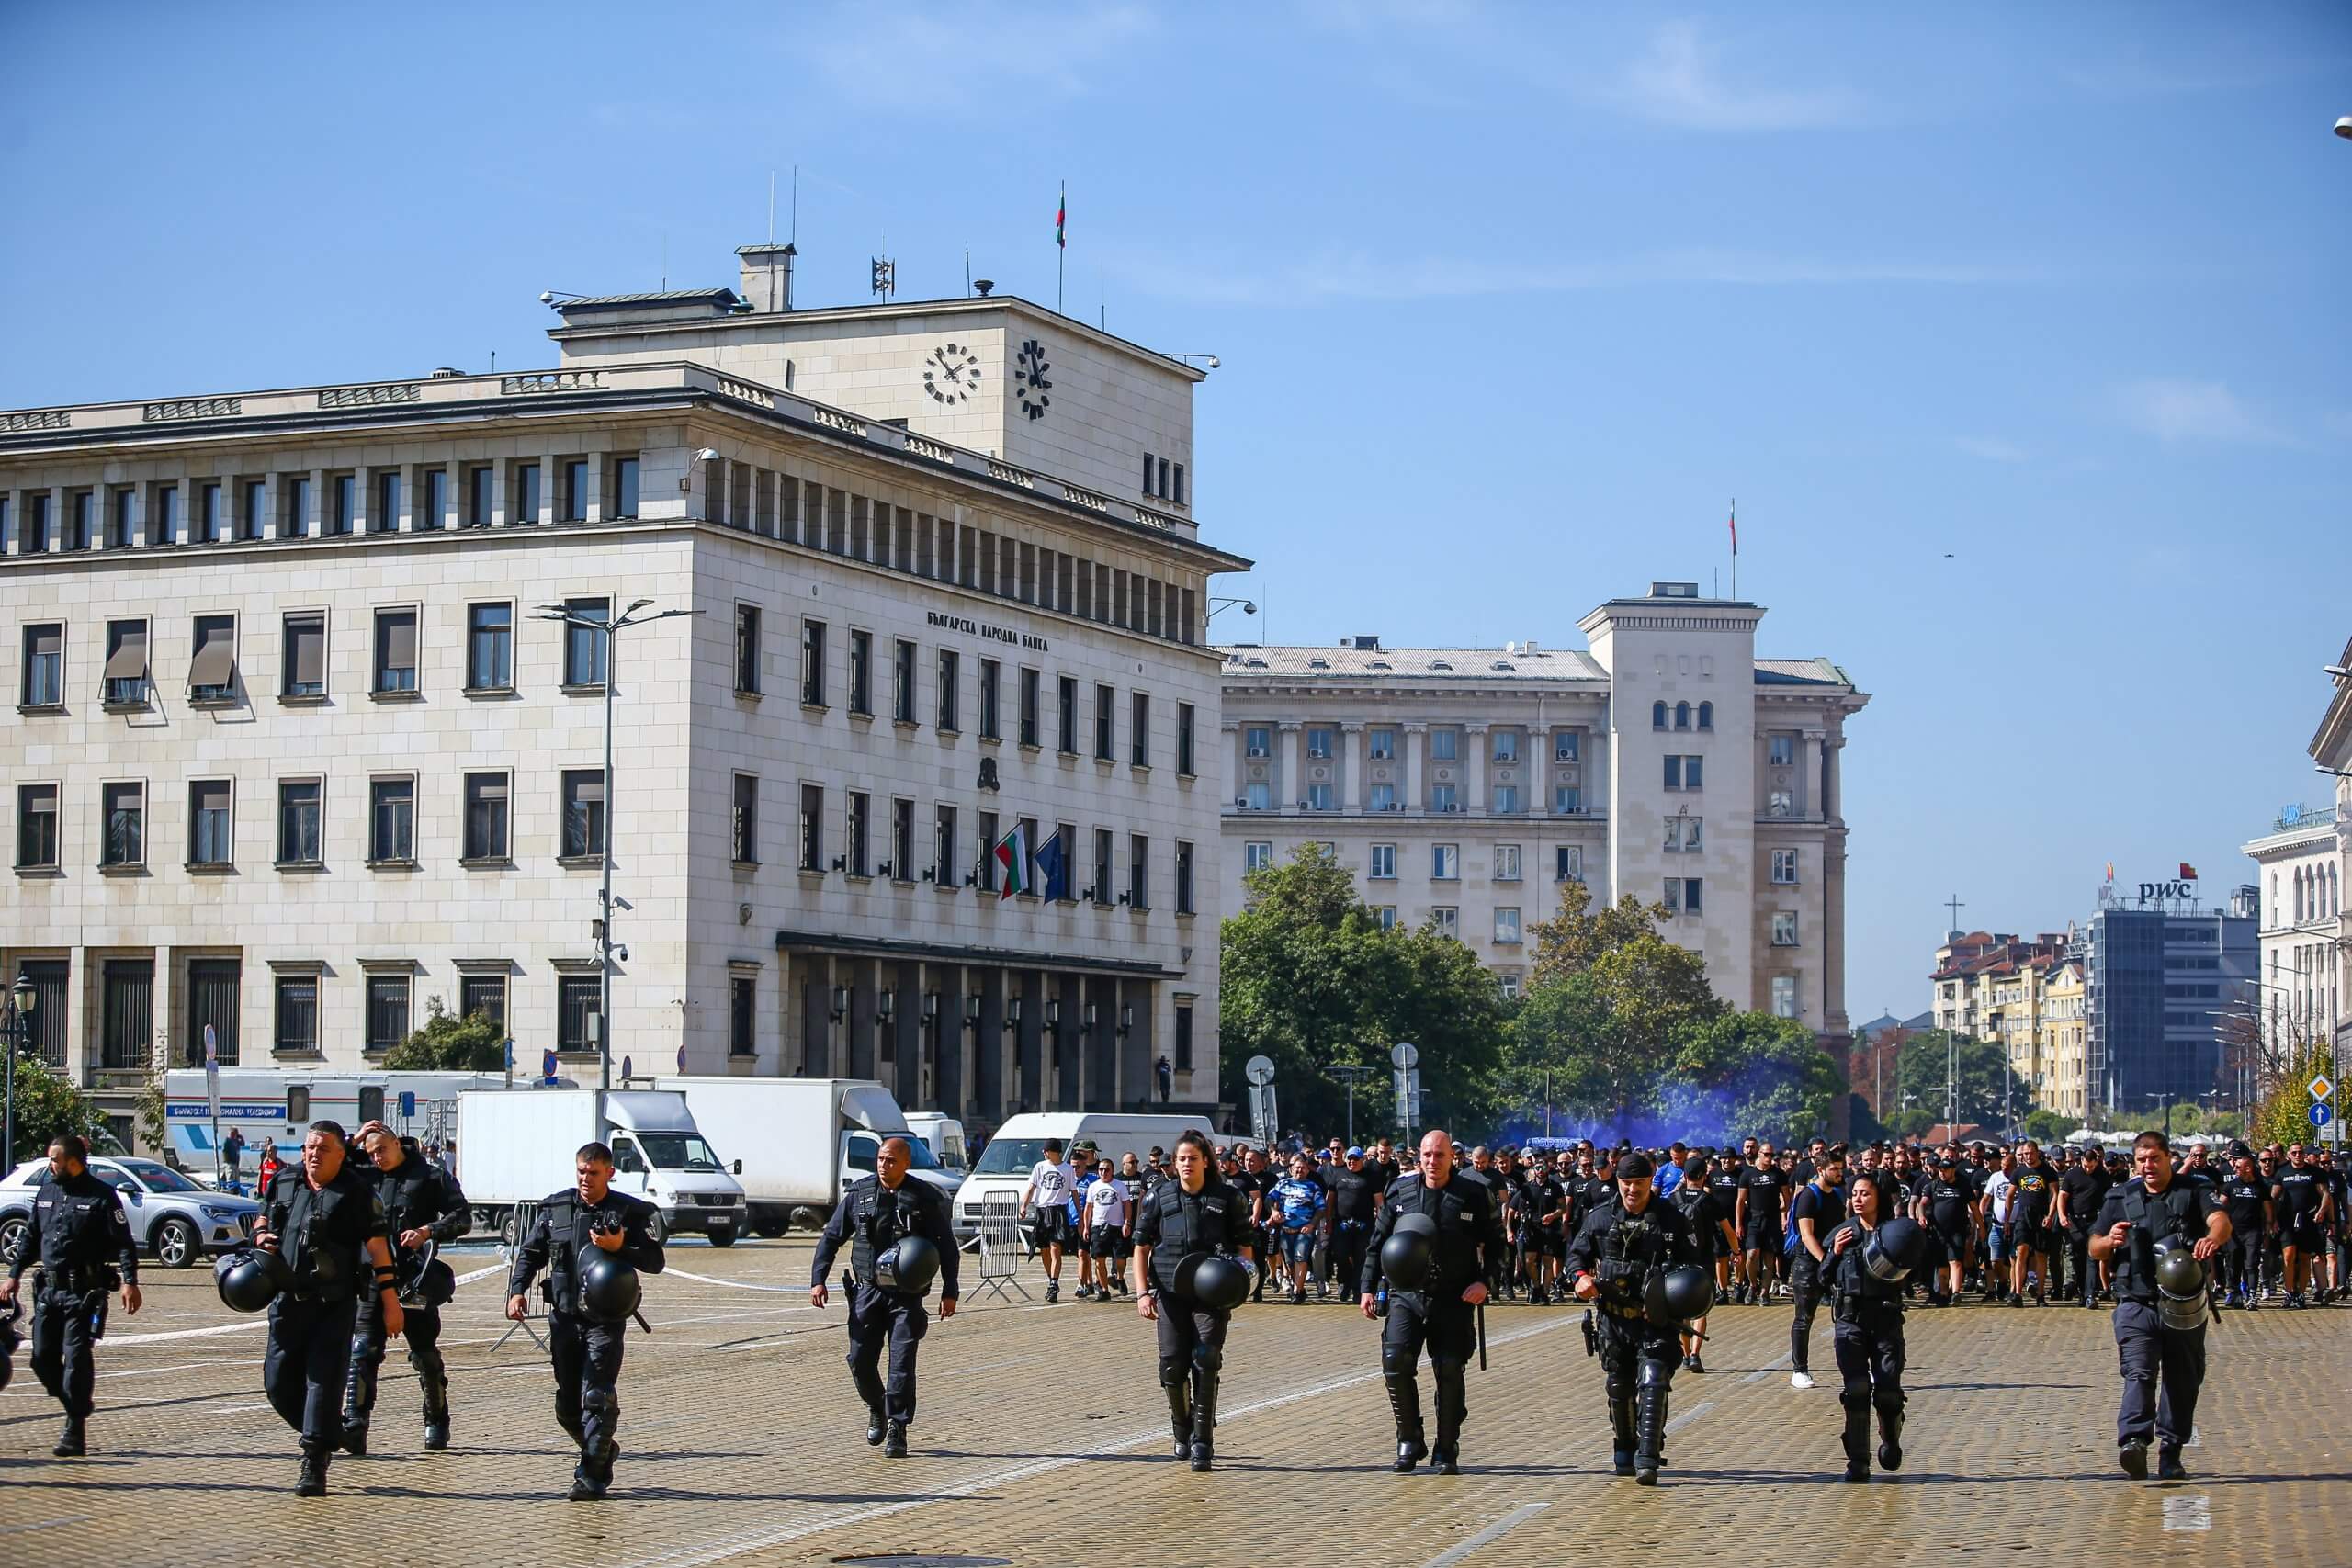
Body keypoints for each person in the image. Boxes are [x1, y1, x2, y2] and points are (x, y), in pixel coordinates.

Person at [506, 1142, 666, 1499]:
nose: (585, 1179)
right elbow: (530, 1253)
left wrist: (620, 1247)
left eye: (593, 1173)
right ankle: (602, 1448)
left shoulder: (627, 1212)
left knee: (597, 1394)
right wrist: (517, 1290)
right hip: (563, 1317)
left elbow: (656, 1262)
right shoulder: (557, 1208)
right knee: (567, 1406)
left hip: (605, 1319)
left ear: (609, 1173)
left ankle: (592, 1475)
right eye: (581, 1171)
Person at [255, 1121, 401, 1495]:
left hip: (332, 1305)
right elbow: (262, 1217)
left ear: (341, 1154)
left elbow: (379, 1249)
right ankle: (332, 1432)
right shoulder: (284, 1182)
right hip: (287, 1303)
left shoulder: (357, 1192)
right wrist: (260, 1235)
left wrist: (391, 1303)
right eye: (309, 1148)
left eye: (323, 1149)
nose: (314, 1155)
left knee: (323, 1382)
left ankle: (314, 1463)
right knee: (277, 1384)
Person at [2089, 1131, 2229, 1481]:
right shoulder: (2121, 1197)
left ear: (2169, 1158)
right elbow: (2094, 1246)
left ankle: (2171, 1451)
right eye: (2141, 1160)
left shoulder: (2192, 1191)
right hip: (2136, 1302)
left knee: (2183, 1380)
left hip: (2183, 1305)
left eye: (2154, 1158)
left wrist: (2211, 1240)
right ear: (2134, 1163)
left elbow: (2220, 1222)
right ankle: (2134, 1443)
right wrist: (2110, 1241)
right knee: (2138, 1372)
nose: (2148, 1166)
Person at [1361, 1130, 1502, 1475]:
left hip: (1454, 1296)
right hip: (1405, 1295)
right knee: (1395, 1361)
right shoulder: (1400, 1190)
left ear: (1453, 1157)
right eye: (1426, 1155)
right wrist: (1366, 1287)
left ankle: (1446, 1446)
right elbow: (1378, 1243)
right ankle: (1409, 1438)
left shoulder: (1473, 1195)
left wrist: (1484, 1283)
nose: (1432, 1162)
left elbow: (1497, 1246)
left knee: (1449, 1369)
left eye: (1439, 1155)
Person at [811, 1134, 960, 1457]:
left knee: (901, 1363)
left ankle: (897, 1426)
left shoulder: (923, 1197)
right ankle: (877, 1405)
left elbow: (947, 1246)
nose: (883, 1165)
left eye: (891, 1160)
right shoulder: (860, 1194)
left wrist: (951, 1290)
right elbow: (832, 1237)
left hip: (907, 1297)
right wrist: (817, 1279)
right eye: (880, 1159)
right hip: (868, 1292)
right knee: (860, 1360)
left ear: (906, 1163)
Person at [0, 1134, 143, 1457]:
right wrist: (13, 1275)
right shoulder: (47, 1192)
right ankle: (74, 1405)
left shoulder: (102, 1197)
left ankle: (74, 1430)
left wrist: (130, 1282)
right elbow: (30, 1237)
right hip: (49, 1291)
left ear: (73, 1162)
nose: (50, 1164)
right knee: (42, 1359)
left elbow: (123, 1243)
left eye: (54, 1159)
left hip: (84, 1293)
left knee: (76, 1361)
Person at [1566, 1152, 1698, 1485]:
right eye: (1626, 1183)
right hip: (1613, 1321)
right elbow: (1575, 1256)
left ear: (1650, 1181)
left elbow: (1697, 1269)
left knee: (1653, 1378)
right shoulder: (1599, 1219)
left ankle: (1648, 1456)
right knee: (1619, 1385)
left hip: (1656, 1321)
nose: (1632, 1190)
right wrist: (1580, 1277)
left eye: (1639, 1183)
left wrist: (1675, 1299)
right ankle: (1625, 1446)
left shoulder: (1672, 1220)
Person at [340, 1121, 469, 1454]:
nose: (377, 1157)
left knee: (425, 1357)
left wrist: (427, 1231)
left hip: (414, 1280)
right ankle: (355, 1424)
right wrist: (351, 1142)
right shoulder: (363, 1173)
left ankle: (437, 1419)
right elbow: (323, 1167)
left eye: (381, 1149)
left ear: (397, 1143)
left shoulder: (428, 1175)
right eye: (370, 1153)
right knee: (363, 1351)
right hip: (371, 1279)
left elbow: (462, 1216)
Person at [1131, 1129, 1256, 1471]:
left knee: (1206, 1359)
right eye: (1182, 1159)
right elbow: (1141, 1248)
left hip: (1211, 1296)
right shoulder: (1159, 1196)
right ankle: (1181, 1428)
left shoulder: (1227, 1198)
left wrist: (1242, 1281)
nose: (1187, 1164)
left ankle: (1203, 1440)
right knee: (1172, 1366)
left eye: (1193, 1158)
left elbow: (1246, 1248)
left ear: (1206, 1162)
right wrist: (1142, 1293)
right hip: (1169, 1293)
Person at [1824, 1171, 1908, 1483]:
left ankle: (1891, 1438)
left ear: (1878, 1199)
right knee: (1857, 1389)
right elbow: (1823, 1277)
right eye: (1855, 1194)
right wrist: (1833, 1254)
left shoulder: (1893, 1233)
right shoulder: (1843, 1233)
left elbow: (1915, 1268)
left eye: (1865, 1194)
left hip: (1886, 1320)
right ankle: (1858, 1460)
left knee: (1887, 1392)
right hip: (1850, 1321)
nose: (1859, 1200)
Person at [1787, 1148, 1847, 1390]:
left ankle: (1856, 1368)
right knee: (1804, 1318)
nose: (1839, 1173)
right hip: (1808, 1265)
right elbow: (1807, 1235)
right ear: (1821, 1170)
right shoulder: (1809, 1197)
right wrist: (1826, 1261)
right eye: (1834, 1169)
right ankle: (1799, 1370)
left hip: (1832, 1261)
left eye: (1841, 1169)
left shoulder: (1838, 1194)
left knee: (1847, 1316)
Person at [1668, 1155, 1735, 1372]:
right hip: (1703, 1260)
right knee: (1700, 1308)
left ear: (1684, 1175)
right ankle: (1696, 1354)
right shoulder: (1709, 1201)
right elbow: (1728, 1231)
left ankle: (1685, 1356)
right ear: (1704, 1176)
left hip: (1678, 1262)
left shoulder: (1673, 1198)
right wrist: (1736, 1250)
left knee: (1681, 1310)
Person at [2272, 1143, 2332, 1309]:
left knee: (2305, 1257)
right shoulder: (2282, 1173)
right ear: (2289, 1155)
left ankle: (2300, 1294)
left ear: (2304, 1154)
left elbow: (2326, 1194)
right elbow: (2273, 1197)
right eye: (2294, 1153)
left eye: (2300, 1152)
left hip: (2308, 1220)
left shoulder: (2315, 1172)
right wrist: (2273, 1219)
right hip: (2287, 1220)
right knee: (2289, 1255)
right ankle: (2289, 1292)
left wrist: (2322, 1211)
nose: (2298, 1155)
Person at [1019, 1140, 1079, 1303]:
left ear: (1055, 1151)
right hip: (1042, 1210)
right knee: (1044, 1249)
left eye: (1047, 1150)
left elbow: (1074, 1193)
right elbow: (1031, 1188)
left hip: (1058, 1210)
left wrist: (1079, 1216)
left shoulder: (1067, 1169)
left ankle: (1054, 1283)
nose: (1044, 1153)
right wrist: (1024, 1206)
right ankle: (1050, 1279)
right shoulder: (1040, 1167)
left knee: (1055, 1249)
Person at [2057, 1145, 2112, 1309]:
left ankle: (2090, 1295)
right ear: (2081, 1161)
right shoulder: (2072, 1174)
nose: (2088, 1169)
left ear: (2096, 1162)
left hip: (2094, 1220)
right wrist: (2061, 1215)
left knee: (2091, 1257)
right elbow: (2063, 1196)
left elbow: (2109, 1199)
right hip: (2075, 1221)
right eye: (2086, 1166)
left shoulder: (2102, 1176)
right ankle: (2082, 1292)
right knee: (2078, 1258)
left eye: (2091, 1166)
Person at [2217, 1146, 2272, 1311]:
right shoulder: (2230, 1186)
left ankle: (2252, 1295)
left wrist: (2269, 1227)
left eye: (2238, 1167)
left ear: (2247, 1168)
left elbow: (2268, 1210)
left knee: (2251, 1263)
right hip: (2233, 1232)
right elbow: (2219, 1206)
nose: (2235, 1169)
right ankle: (2234, 1292)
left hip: (2253, 1231)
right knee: (2233, 1262)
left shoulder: (2260, 1187)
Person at [1269, 1153, 1327, 1303]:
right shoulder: (1282, 1184)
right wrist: (1274, 1212)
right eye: (1297, 1168)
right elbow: (1269, 1198)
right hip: (1286, 1230)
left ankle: (1296, 1291)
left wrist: (1311, 1224)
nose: (1299, 1170)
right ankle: (1300, 1288)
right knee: (1290, 1262)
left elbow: (1321, 1208)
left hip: (1304, 1230)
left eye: (1302, 1168)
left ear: (1307, 1170)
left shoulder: (1313, 1187)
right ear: (1291, 1169)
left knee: (1300, 1258)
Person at [2007, 1142, 2058, 1307]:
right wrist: (2007, 1219)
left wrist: (2050, 1215)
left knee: (2041, 1254)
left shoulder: (2047, 1171)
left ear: (2037, 1153)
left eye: (2030, 1153)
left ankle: (2041, 1294)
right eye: (2025, 1154)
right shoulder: (2019, 1171)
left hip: (2041, 1215)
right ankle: (2017, 1293)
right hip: (2023, 1215)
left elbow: (2055, 1194)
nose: (2027, 1156)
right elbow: (2010, 1194)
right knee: (2021, 1251)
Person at [1079, 1156, 1133, 1301]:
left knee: (1121, 1257)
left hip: (1117, 1226)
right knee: (1099, 1259)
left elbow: (1127, 1205)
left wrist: (1127, 1222)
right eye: (1101, 1169)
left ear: (1112, 1171)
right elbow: (1088, 1208)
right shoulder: (1093, 1187)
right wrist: (1086, 1227)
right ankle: (1104, 1290)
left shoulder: (1120, 1186)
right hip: (1098, 1226)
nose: (1103, 1172)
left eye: (1107, 1170)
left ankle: (1119, 1277)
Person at [220, 1125, 247, 1189]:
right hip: (230, 1163)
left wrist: (241, 1137)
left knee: (236, 1179)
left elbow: (243, 1144)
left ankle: (232, 1189)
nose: (237, 1134)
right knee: (231, 1179)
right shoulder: (227, 1141)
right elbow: (224, 1151)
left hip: (236, 1163)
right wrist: (228, 1161)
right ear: (232, 1132)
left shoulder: (235, 1140)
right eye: (236, 1133)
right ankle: (230, 1190)